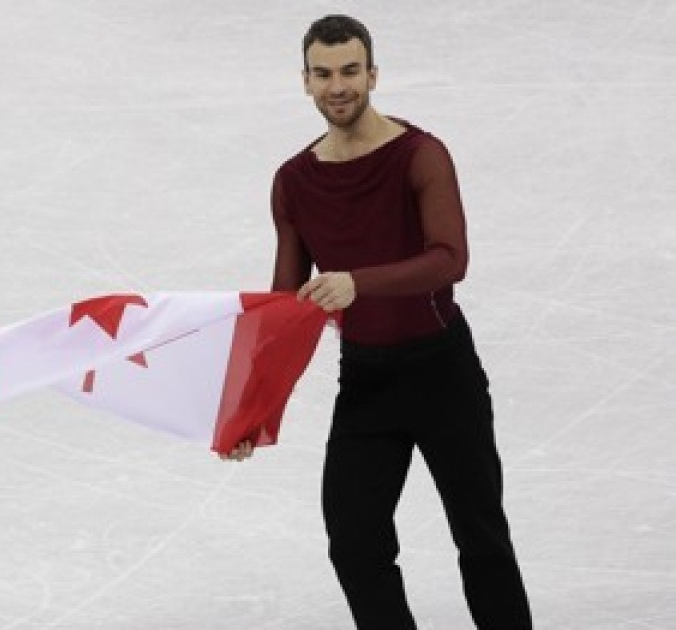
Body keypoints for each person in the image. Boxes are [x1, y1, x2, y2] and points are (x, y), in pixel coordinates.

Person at [224, 15, 532, 629]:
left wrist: (356, 282)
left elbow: (451, 260)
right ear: (305, 81)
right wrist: (253, 412)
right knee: (355, 542)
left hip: (443, 372)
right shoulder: (294, 181)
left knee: (481, 539)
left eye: (349, 71)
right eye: (323, 74)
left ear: (372, 74)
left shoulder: (420, 154)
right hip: (367, 382)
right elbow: (286, 309)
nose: (338, 86)